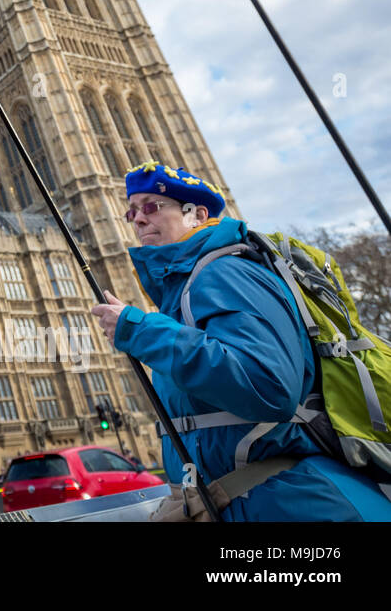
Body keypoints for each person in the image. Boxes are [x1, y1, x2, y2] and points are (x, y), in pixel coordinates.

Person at [92, 161, 391, 521]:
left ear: (197, 214)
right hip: (260, 504)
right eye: (132, 211)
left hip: (300, 504)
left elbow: (267, 385)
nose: (138, 219)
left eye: (152, 207)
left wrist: (142, 332)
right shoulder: (186, 287)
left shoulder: (225, 271)